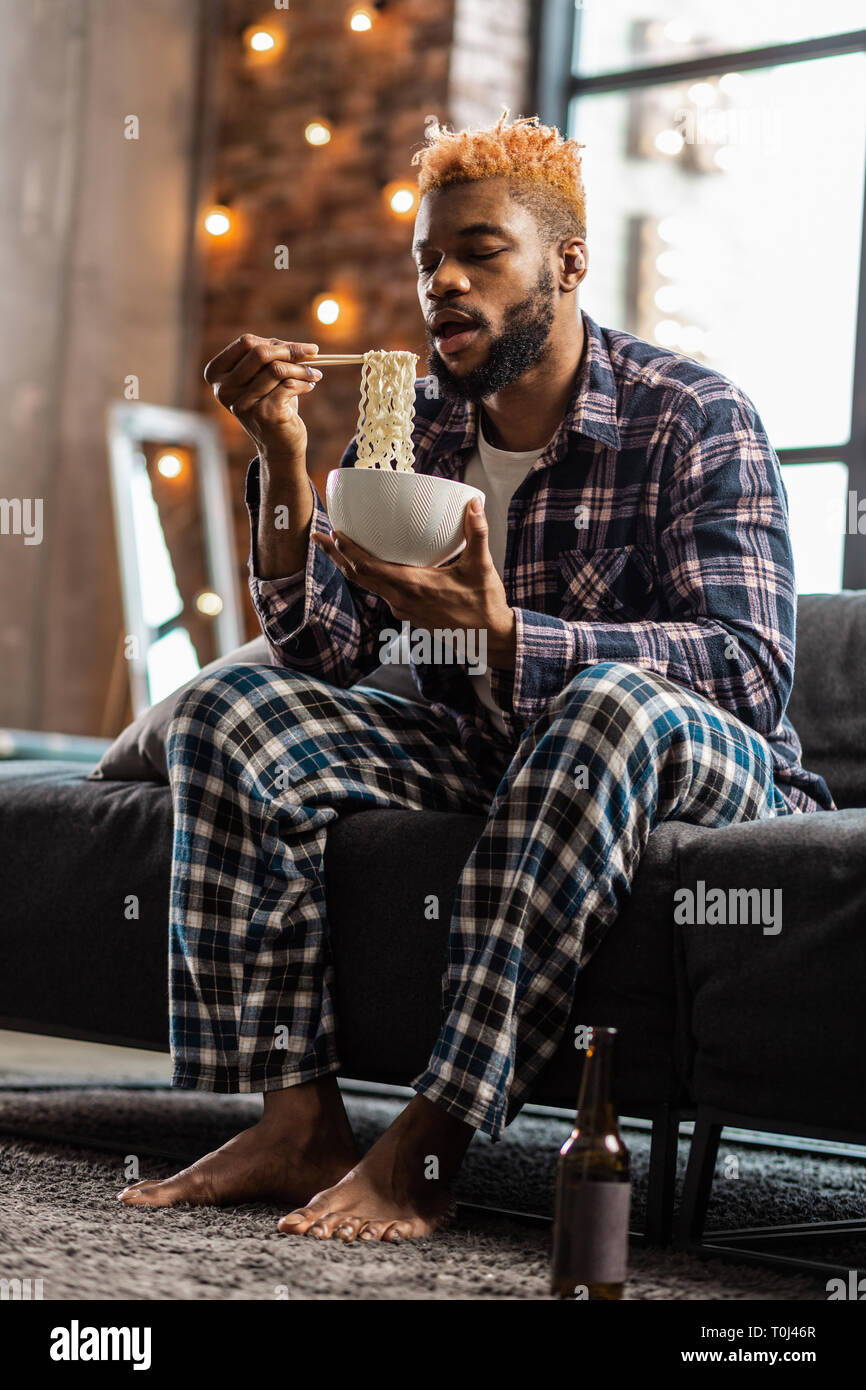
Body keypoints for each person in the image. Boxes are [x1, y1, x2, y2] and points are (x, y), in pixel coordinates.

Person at [118, 112, 833, 1241]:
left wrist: (507, 638)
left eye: (478, 252)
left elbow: (746, 673)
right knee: (227, 709)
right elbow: (323, 653)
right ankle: (297, 1118)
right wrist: (283, 458)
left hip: (695, 765)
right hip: (493, 758)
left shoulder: (691, 416)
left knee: (603, 704)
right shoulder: (413, 428)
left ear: (566, 261)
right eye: (426, 260)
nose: (441, 281)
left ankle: (434, 1135)